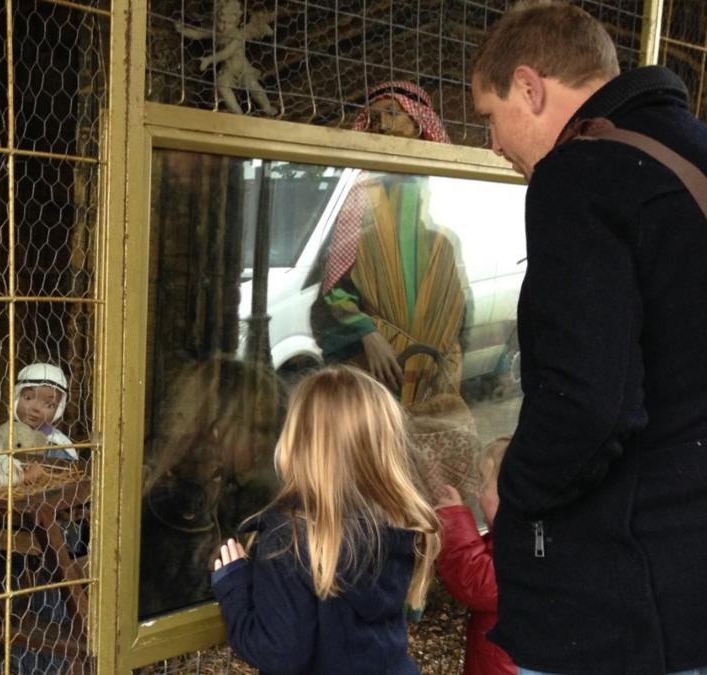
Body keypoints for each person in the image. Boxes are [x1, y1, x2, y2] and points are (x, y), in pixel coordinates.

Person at [471, 3, 707, 672]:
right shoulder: (692, 153)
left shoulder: (576, 177)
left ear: (529, 86)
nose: (492, 143)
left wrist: (512, 480)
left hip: (626, 607)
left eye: (489, 117)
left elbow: (591, 403)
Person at [209, 365, 440, 674]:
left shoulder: (289, 540)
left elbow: (279, 653)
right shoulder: (395, 526)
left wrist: (234, 588)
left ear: (296, 446)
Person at [314, 80, 465, 406]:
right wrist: (367, 333)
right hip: (385, 356)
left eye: (393, 113)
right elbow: (336, 283)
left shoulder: (444, 188)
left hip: (435, 355)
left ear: (418, 122)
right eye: (375, 116)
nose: (383, 124)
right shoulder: (363, 191)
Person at [138, 354, 284, 617]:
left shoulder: (233, 491)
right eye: (260, 429)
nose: (268, 442)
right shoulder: (173, 503)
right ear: (217, 428)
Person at [434, 437, 517, 675]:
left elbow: (478, 583)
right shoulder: (516, 535)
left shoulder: (523, 547)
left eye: (483, 483)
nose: (477, 493)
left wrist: (455, 520)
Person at [12, 362, 78, 460]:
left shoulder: (58, 447)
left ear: (58, 410)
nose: (36, 408)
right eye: (28, 398)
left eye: (49, 405)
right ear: (16, 397)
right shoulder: (3, 435)